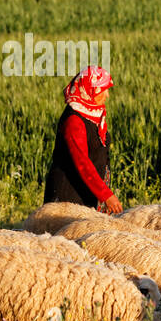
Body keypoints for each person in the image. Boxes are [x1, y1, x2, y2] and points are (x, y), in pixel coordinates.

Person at [43, 65, 122, 213]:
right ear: (89, 91)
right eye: (102, 90)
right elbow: (82, 162)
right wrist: (105, 195)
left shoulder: (93, 114)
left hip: (87, 192)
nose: (107, 95)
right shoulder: (74, 121)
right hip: (68, 195)